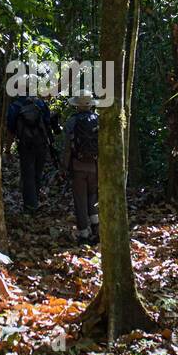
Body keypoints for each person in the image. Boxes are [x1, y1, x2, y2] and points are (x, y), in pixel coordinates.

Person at [6, 85, 55, 213]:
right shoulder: (40, 103)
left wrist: (7, 149)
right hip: (41, 144)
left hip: (25, 145)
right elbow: (47, 123)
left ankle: (30, 207)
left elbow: (10, 130)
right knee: (37, 174)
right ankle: (35, 201)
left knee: (28, 175)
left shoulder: (15, 106)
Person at [62, 91, 99, 244]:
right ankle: (96, 229)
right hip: (95, 166)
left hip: (78, 167)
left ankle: (83, 234)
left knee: (80, 201)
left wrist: (64, 166)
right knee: (93, 197)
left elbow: (67, 148)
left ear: (77, 106)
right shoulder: (98, 120)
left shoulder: (72, 122)